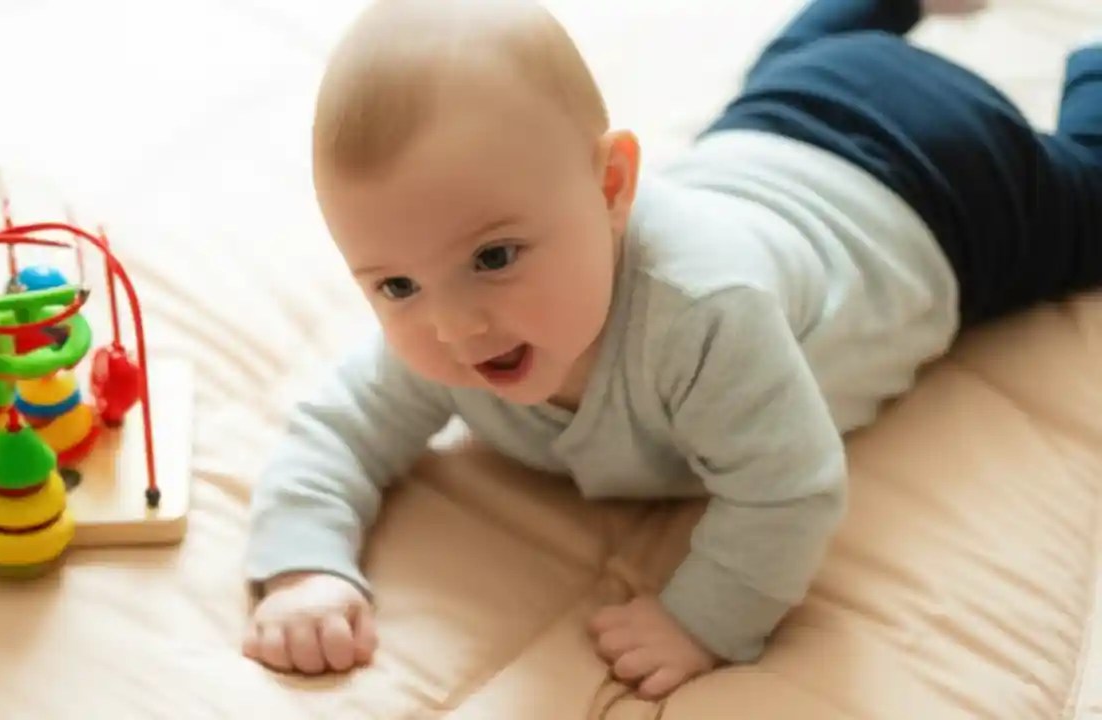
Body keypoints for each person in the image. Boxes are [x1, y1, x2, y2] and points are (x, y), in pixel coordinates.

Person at [241, 0, 1102, 700]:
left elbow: (790, 489)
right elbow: (338, 429)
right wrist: (302, 566)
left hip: (938, 184)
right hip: (785, 114)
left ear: (612, 187)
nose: (455, 325)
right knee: (782, 72)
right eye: (393, 286)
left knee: (1088, 206)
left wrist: (703, 619)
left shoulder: (702, 316)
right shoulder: (444, 326)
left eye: (494, 257)